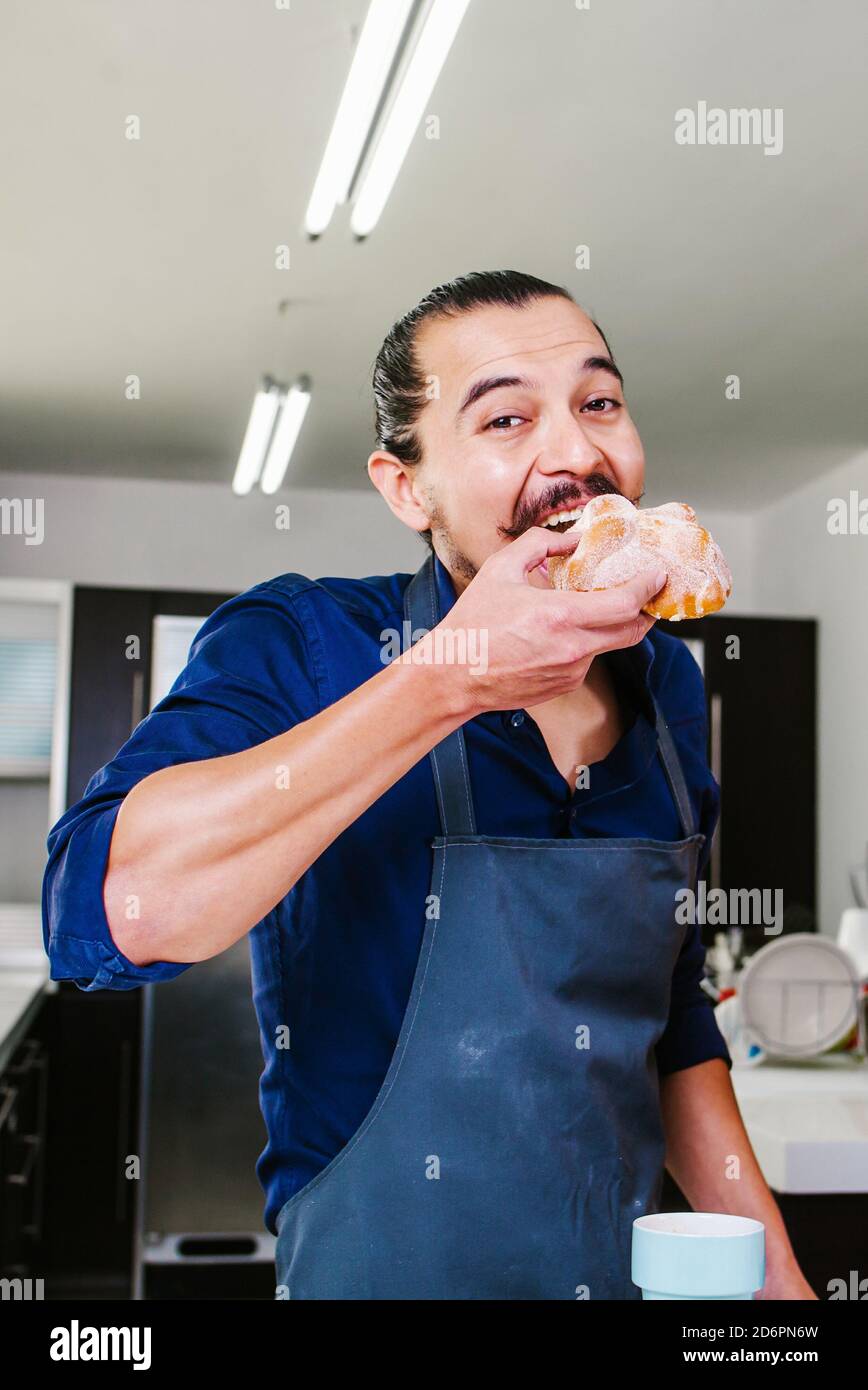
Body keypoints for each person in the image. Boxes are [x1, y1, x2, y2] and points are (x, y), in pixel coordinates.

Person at [43, 270, 815, 1299]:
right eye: (506, 417)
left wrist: (776, 1284)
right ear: (409, 486)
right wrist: (448, 679)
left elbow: (668, 1018)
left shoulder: (665, 683)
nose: (577, 456)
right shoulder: (303, 643)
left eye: (598, 404)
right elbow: (101, 913)